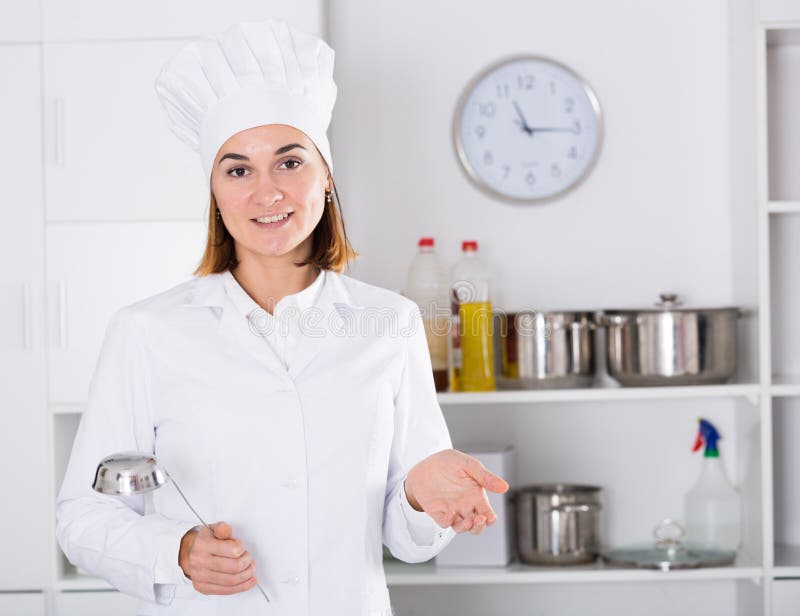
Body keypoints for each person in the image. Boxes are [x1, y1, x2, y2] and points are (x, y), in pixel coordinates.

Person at [55, 19, 509, 616]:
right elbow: (83, 517)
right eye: (238, 169)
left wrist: (424, 498)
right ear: (215, 192)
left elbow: (406, 536)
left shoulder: (390, 324)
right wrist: (178, 550)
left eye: (290, 163)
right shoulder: (148, 332)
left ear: (326, 178)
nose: (266, 192)